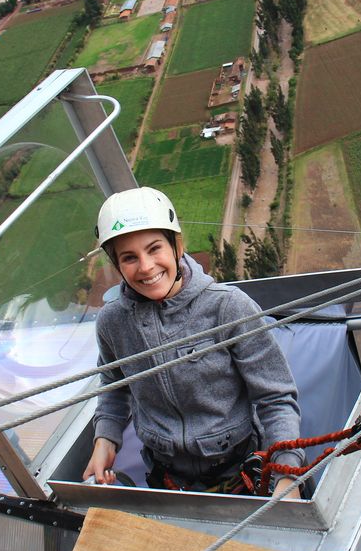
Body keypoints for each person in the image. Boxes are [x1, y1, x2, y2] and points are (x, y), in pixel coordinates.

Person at [82, 187, 304, 498]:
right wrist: (105, 439)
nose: (145, 267)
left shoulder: (228, 308)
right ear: (117, 264)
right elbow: (114, 386)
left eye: (154, 248)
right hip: (165, 476)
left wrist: (285, 474)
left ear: (177, 245)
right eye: (129, 257)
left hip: (239, 469)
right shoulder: (113, 322)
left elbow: (276, 399)